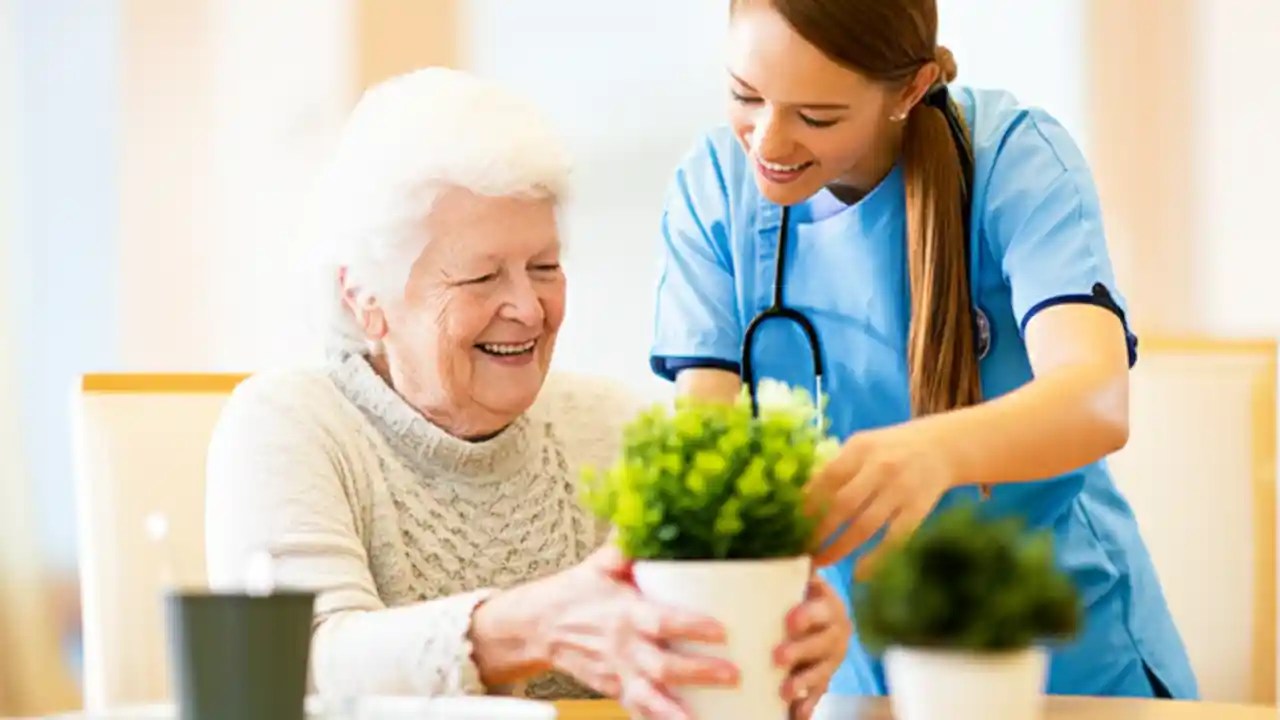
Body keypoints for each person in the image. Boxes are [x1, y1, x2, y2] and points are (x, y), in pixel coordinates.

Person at [203, 66, 850, 720]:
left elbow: (687, 671)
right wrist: (527, 628)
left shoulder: (611, 426)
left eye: (545, 267)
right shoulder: (289, 426)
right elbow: (298, 661)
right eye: (482, 277)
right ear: (365, 295)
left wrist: (772, 632)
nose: (528, 308)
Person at [648, 0, 1198, 701]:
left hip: (1061, 663)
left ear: (909, 89)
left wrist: (936, 451)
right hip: (853, 677)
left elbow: (1098, 397)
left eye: (816, 117)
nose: (768, 141)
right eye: (744, 95)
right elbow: (708, 452)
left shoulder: (1012, 158)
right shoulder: (712, 191)